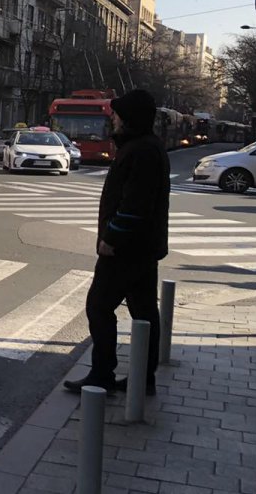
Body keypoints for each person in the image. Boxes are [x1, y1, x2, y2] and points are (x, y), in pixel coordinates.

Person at [64, 89, 169, 396]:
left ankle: (102, 374)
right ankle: (142, 377)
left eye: (117, 114)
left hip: (126, 249)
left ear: (130, 118)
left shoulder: (141, 151)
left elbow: (135, 204)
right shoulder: (144, 147)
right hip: (142, 248)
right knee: (144, 311)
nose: (112, 117)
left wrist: (112, 237)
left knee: (99, 306)